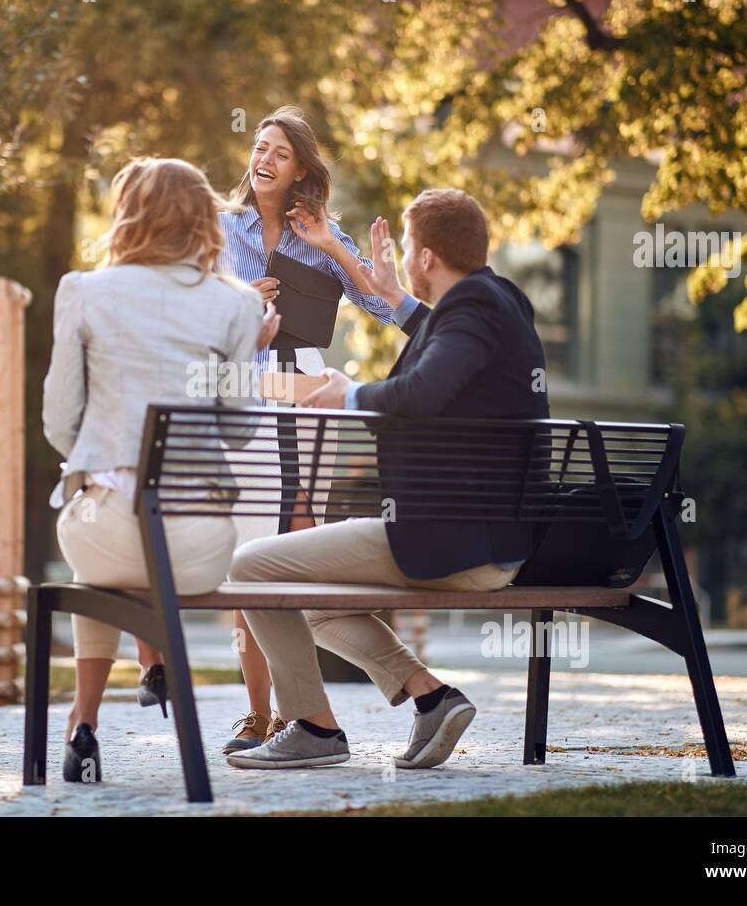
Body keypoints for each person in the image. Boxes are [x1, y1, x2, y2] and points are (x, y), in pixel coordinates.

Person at [224, 189, 551, 770]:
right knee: (314, 603)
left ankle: (313, 728)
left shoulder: (473, 310)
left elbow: (424, 390)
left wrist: (344, 393)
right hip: (487, 539)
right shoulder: (498, 300)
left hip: (457, 541)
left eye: (408, 250)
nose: (403, 258)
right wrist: (393, 294)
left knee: (251, 566)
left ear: (427, 257)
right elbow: (445, 346)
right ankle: (430, 697)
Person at [42, 157, 279, 783]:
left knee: (99, 562)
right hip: (198, 543)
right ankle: (112, 702)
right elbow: (239, 430)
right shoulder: (236, 306)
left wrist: (98, 458)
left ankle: (82, 723)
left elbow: (59, 423)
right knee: (130, 556)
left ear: (130, 213)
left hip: (104, 531)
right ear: (206, 218)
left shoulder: (84, 290)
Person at [214, 106, 426, 754]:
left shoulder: (320, 232)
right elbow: (196, 301)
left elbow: (379, 303)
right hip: (248, 390)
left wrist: (332, 244)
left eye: (279, 151)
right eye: (259, 146)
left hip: (306, 396)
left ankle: (300, 716)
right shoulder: (224, 227)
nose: (264, 158)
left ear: (301, 167)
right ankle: (258, 716)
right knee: (247, 552)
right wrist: (240, 296)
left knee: (297, 549)